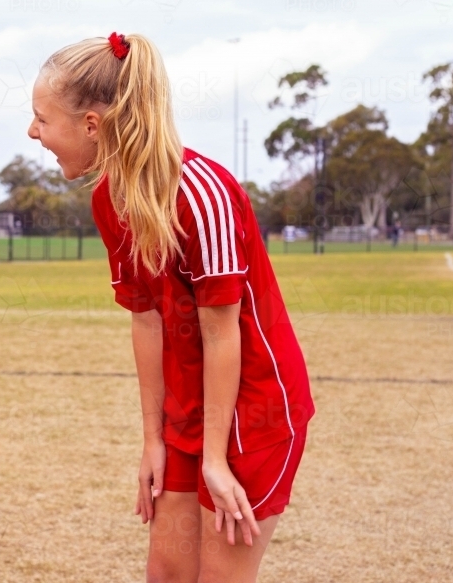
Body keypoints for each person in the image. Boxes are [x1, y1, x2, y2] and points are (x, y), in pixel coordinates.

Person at [27, 33, 314, 582]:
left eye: (42, 118)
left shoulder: (201, 194)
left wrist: (214, 460)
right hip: (187, 409)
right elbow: (146, 318)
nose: (33, 132)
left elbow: (222, 334)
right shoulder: (107, 197)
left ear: (92, 124)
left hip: (252, 412)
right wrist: (153, 441)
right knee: (166, 575)